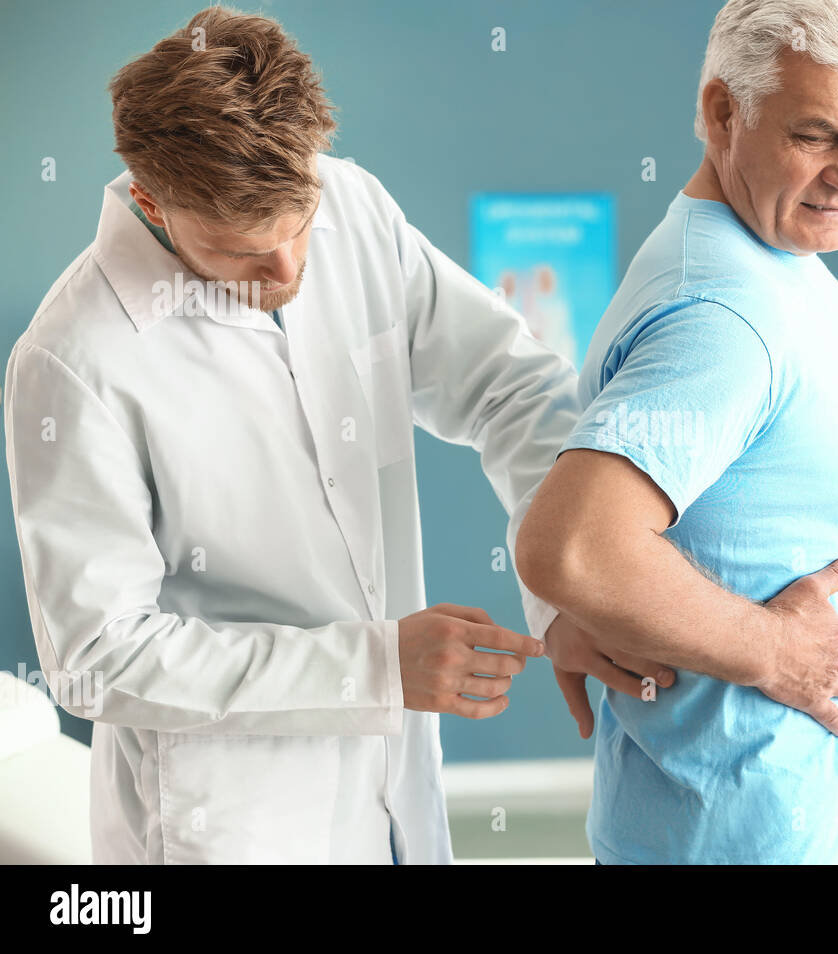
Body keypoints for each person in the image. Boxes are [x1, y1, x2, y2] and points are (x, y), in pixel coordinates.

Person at [2, 6, 577, 864]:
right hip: (232, 825)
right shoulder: (73, 359)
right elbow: (95, 656)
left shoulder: (351, 204)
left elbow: (513, 385)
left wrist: (573, 589)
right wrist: (376, 668)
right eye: (244, 254)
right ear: (155, 202)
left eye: (299, 225)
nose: (290, 272)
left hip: (394, 789)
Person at [517, 0, 838, 864]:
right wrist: (775, 651)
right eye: (815, 136)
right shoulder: (725, 313)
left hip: (803, 828)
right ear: (720, 113)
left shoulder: (780, 264)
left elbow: (780, 536)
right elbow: (574, 548)